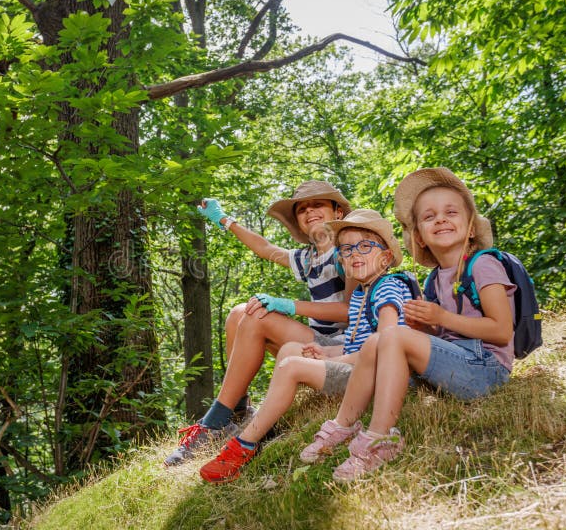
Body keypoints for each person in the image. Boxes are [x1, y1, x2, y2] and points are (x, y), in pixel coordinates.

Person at [300, 167, 515, 482]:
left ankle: (380, 438)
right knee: (377, 341)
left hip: (486, 370)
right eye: (429, 217)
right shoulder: (434, 279)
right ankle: (343, 424)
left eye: (450, 212)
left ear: (470, 228)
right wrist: (425, 327)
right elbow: (440, 335)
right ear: (419, 236)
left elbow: (500, 330)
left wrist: (439, 318)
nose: (440, 219)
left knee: (392, 337)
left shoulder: (484, 264)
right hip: (456, 365)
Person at [198, 209, 413, 483]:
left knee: (291, 365)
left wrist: (334, 360)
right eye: (347, 250)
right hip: (357, 366)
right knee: (290, 351)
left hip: (374, 379)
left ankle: (244, 445)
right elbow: (357, 343)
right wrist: (327, 354)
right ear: (342, 262)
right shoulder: (362, 292)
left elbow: (385, 348)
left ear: (385, 257)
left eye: (365, 246)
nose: (355, 254)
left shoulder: (387, 288)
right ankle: (266, 421)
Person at [165, 181, 357, 467]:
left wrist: (290, 305)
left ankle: (214, 422)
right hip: (316, 340)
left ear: (338, 212)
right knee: (238, 314)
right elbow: (265, 248)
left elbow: (351, 311)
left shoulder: (348, 250)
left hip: (343, 350)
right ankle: (237, 412)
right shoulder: (309, 258)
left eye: (317, 205)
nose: (309, 212)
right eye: (302, 209)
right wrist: (224, 220)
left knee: (257, 314)